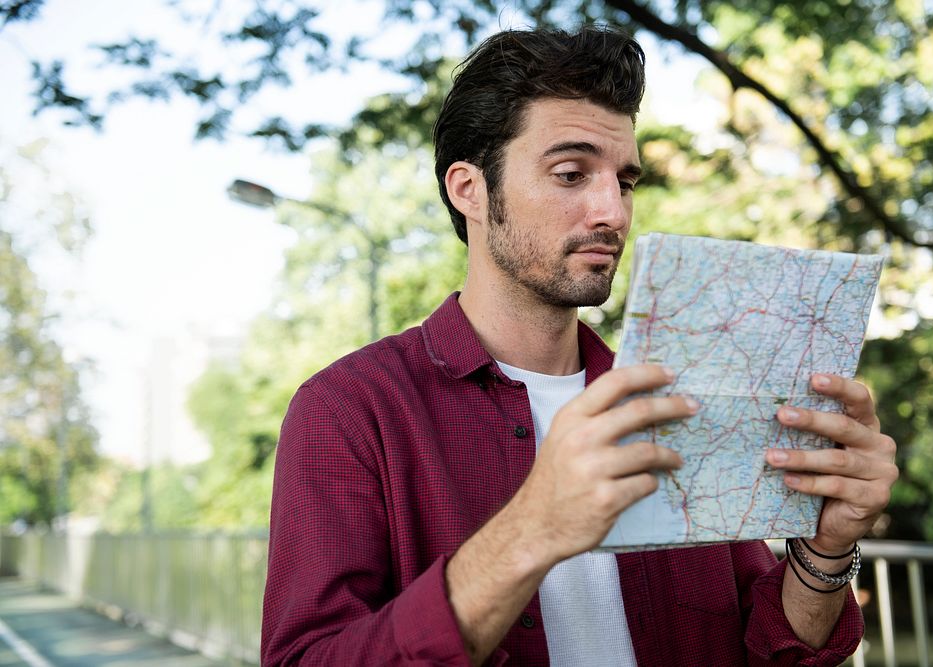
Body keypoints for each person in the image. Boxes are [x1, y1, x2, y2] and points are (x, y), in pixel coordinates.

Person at [261, 25, 898, 666]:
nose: (613, 212)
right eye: (571, 174)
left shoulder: (672, 399)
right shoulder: (347, 410)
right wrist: (533, 526)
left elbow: (772, 652)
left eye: (624, 181)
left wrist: (826, 548)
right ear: (469, 190)